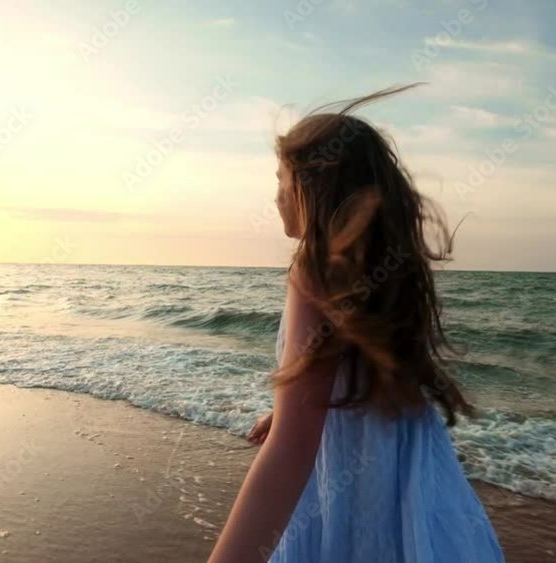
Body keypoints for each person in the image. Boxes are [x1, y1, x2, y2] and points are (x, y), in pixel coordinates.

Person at [208, 85, 505, 563]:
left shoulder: (312, 271)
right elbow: (365, 367)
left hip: (354, 484)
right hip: (409, 475)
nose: (275, 196)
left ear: (311, 187)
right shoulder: (388, 272)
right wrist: (290, 407)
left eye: (281, 179)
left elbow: (292, 451)